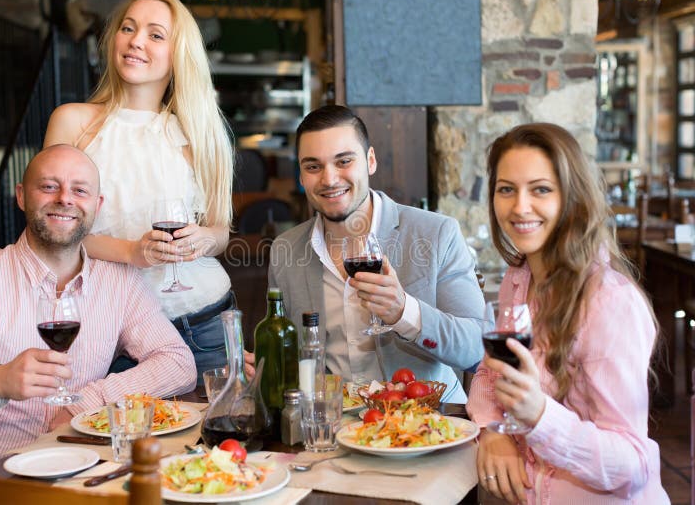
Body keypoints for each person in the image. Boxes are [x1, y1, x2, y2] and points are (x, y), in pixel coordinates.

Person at [0, 145, 197, 472]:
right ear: (22, 196)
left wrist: (93, 401)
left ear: (96, 206)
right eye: (49, 186)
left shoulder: (119, 282)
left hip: (68, 470)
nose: (65, 199)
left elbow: (178, 363)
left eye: (79, 190)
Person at [467, 123, 668, 504]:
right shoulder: (519, 277)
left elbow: (633, 463)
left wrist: (539, 417)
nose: (519, 206)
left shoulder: (610, 302)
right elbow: (490, 372)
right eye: (506, 189)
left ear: (571, 197)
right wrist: (493, 430)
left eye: (540, 189)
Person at [43, 0, 234, 381]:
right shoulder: (72, 122)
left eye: (155, 34)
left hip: (205, 323)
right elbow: (54, 232)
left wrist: (201, 240)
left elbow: (220, 233)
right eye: (128, 28)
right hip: (112, 335)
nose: (136, 41)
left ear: (178, 54)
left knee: (215, 442)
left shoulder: (201, 133)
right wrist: (132, 251)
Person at [266, 105, 485, 403]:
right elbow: (294, 354)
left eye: (343, 161)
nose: (329, 179)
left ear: (370, 161)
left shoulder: (437, 233)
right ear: (301, 176)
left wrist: (403, 311)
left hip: (428, 426)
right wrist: (269, 366)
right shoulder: (285, 249)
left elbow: (476, 350)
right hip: (333, 429)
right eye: (313, 166)